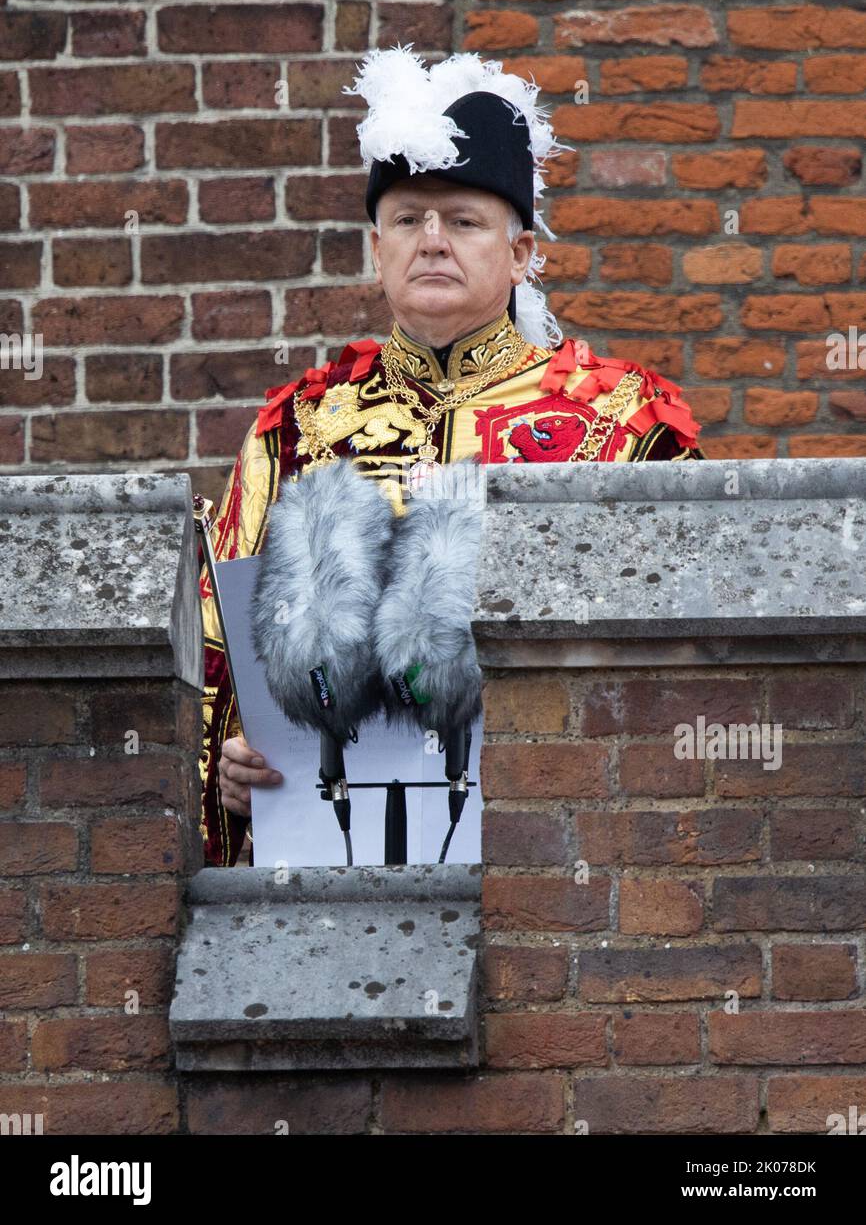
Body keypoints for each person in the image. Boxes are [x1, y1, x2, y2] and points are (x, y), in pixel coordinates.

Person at [197, 46, 704, 867]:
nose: (431, 240)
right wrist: (223, 762)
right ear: (376, 248)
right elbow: (217, 654)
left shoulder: (620, 421)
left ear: (521, 253)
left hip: (558, 852)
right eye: (406, 220)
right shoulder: (299, 425)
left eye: (463, 220)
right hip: (326, 853)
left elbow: (682, 653)